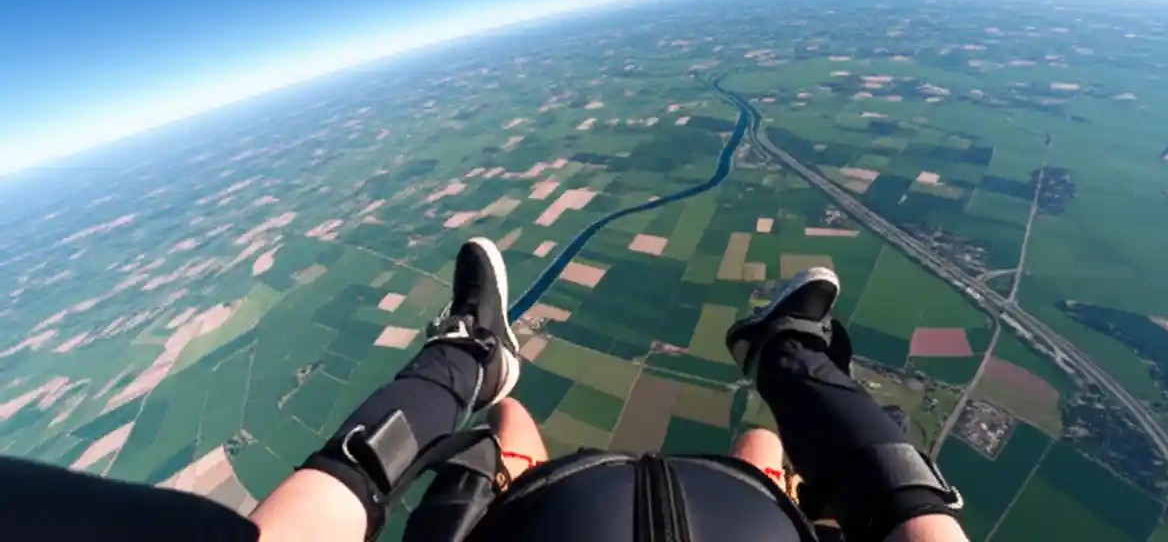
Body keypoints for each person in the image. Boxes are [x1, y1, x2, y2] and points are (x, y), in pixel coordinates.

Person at [2, 237, 966, 542]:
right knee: (774, 455)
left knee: (503, 429)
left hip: (557, 511)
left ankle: (469, 358)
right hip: (726, 508)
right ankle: (790, 355)